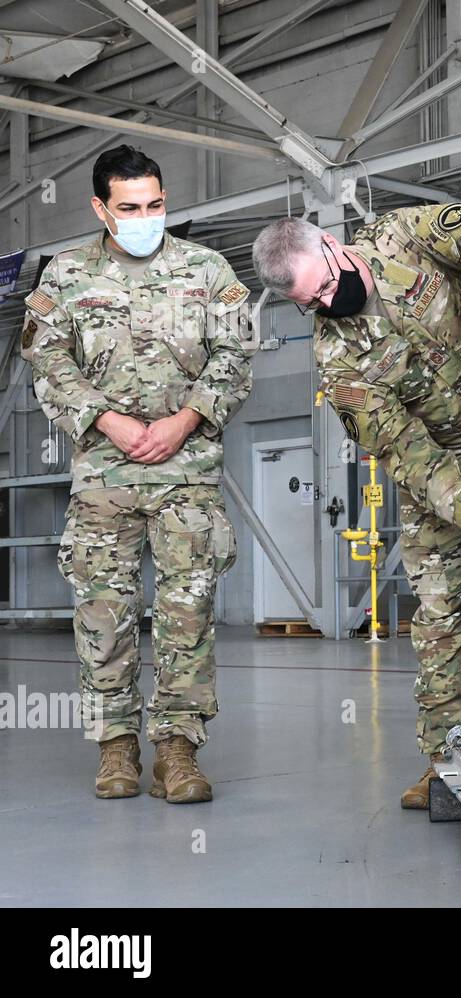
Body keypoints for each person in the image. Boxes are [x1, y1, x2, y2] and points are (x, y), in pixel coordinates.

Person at [251, 203, 461, 808]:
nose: (324, 302)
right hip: (438, 472)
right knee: (439, 621)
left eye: (323, 285)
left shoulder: (403, 235)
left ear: (333, 244)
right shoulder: (336, 359)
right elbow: (397, 440)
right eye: (308, 303)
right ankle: (448, 763)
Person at [21, 145, 252, 803]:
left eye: (156, 205)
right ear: (101, 208)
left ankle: (177, 753)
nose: (147, 217)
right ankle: (115, 749)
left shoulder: (207, 270)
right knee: (105, 616)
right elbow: (49, 367)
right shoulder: (66, 276)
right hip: (104, 477)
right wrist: (108, 422)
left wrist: (186, 419)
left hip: (187, 473)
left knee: (188, 613)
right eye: (130, 208)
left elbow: (234, 357)